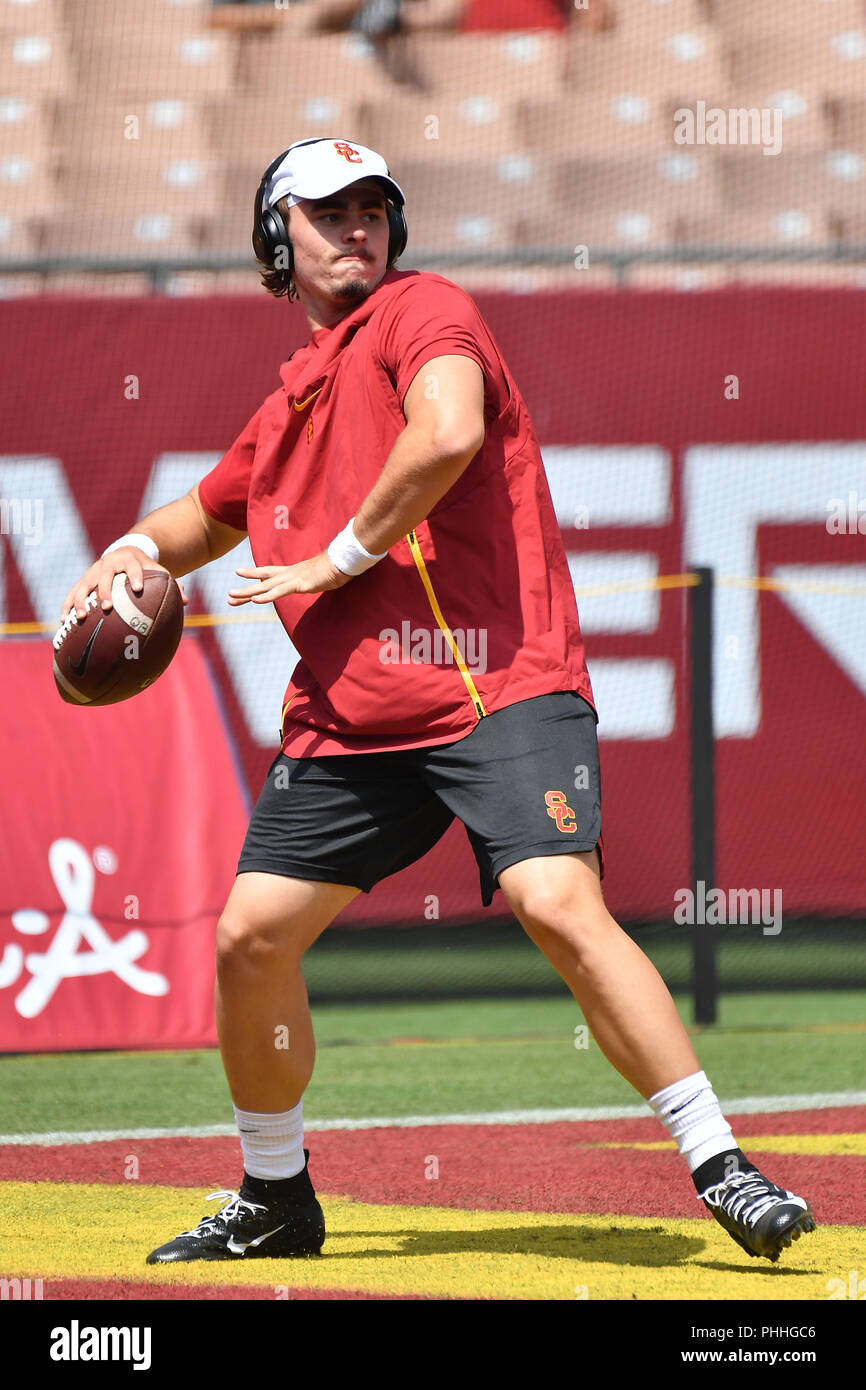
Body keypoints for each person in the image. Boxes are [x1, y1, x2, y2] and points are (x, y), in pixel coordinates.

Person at [61, 137, 815, 1268]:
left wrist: (338, 555)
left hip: (490, 684)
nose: (357, 225)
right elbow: (205, 513)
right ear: (277, 238)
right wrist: (122, 550)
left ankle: (720, 1162)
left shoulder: (424, 310)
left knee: (555, 900)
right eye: (326, 211)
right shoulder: (293, 401)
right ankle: (275, 1193)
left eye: (373, 207)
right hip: (351, 720)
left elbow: (449, 431)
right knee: (249, 939)